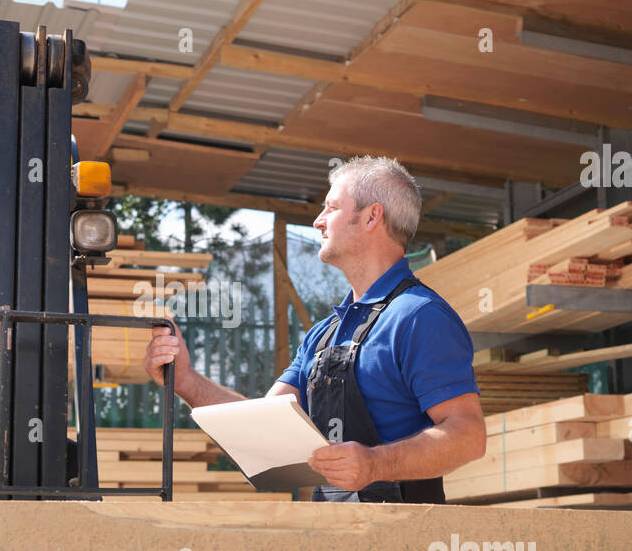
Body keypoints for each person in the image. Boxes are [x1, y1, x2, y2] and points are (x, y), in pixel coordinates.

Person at [144, 156, 485, 503]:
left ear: (372, 217)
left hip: (405, 535)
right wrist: (184, 380)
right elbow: (263, 428)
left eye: (331, 207)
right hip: (330, 532)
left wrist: (376, 464)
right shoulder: (322, 335)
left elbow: (469, 435)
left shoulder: (419, 316)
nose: (318, 221)